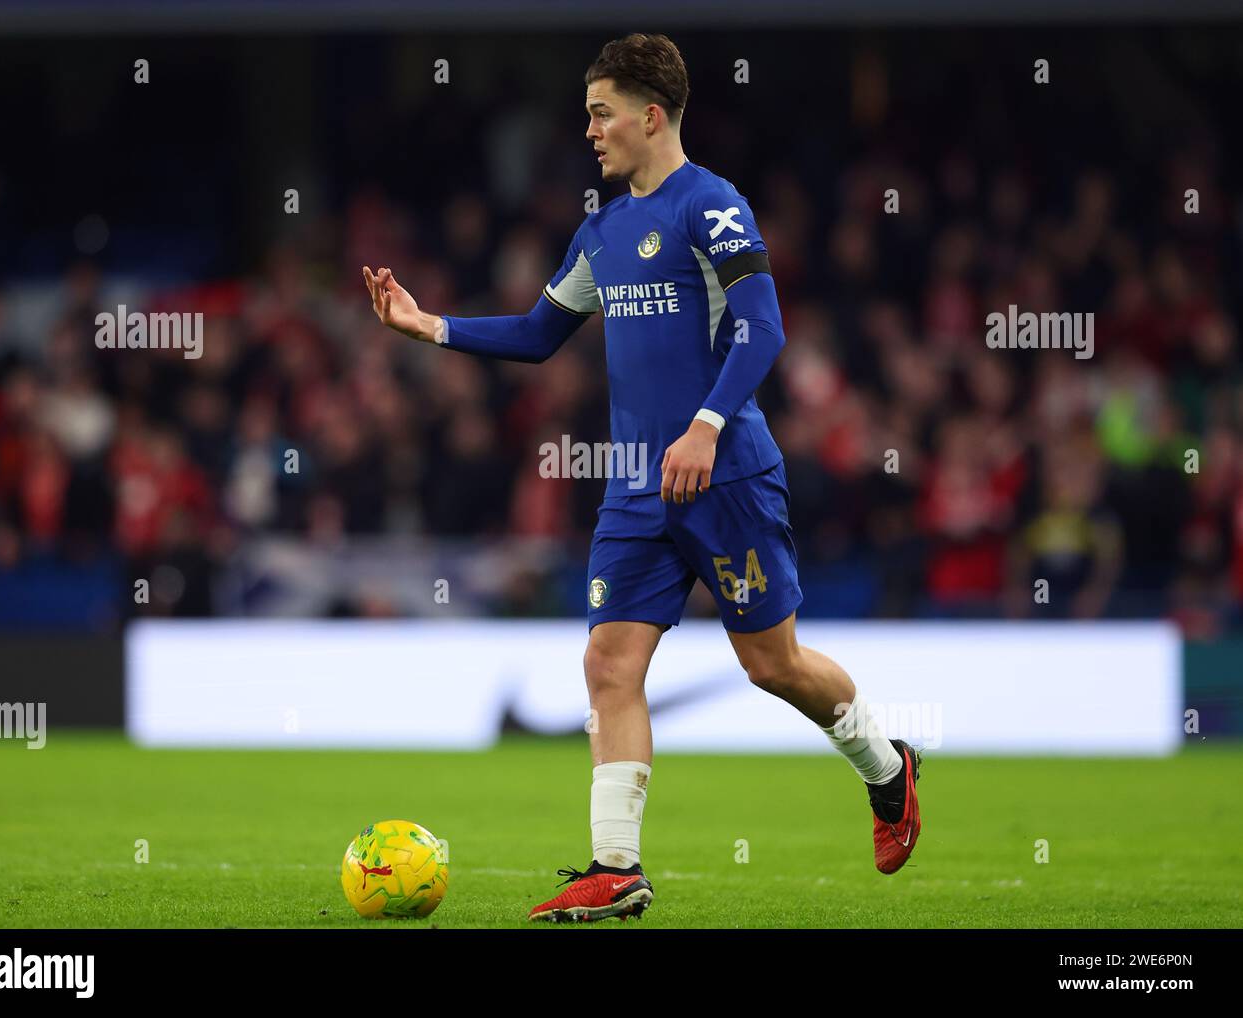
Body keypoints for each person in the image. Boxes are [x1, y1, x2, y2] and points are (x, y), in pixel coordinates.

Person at [363, 32, 921, 924]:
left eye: (600, 112)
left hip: (727, 474)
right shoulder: (604, 228)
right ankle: (615, 867)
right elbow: (542, 335)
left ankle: (888, 769)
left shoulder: (712, 206)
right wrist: (432, 327)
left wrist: (705, 425)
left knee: (771, 667)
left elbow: (763, 328)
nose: (588, 131)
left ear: (649, 115)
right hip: (634, 485)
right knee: (609, 661)